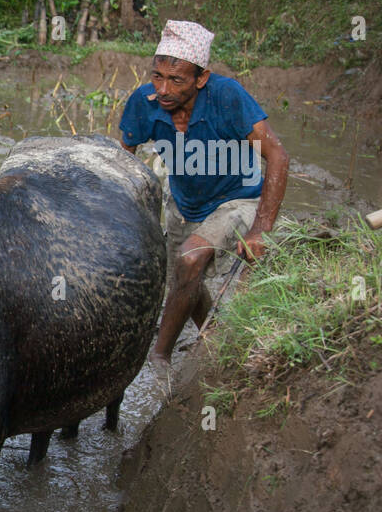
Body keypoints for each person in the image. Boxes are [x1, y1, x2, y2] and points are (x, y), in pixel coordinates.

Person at [119, 20, 289, 369]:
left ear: (201, 78)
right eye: (157, 77)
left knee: (188, 260)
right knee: (181, 278)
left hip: (237, 198)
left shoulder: (228, 97)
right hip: (184, 203)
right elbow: (121, 159)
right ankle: (213, 344)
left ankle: (159, 359)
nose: (163, 89)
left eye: (176, 80)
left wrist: (261, 228)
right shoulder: (144, 101)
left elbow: (277, 156)